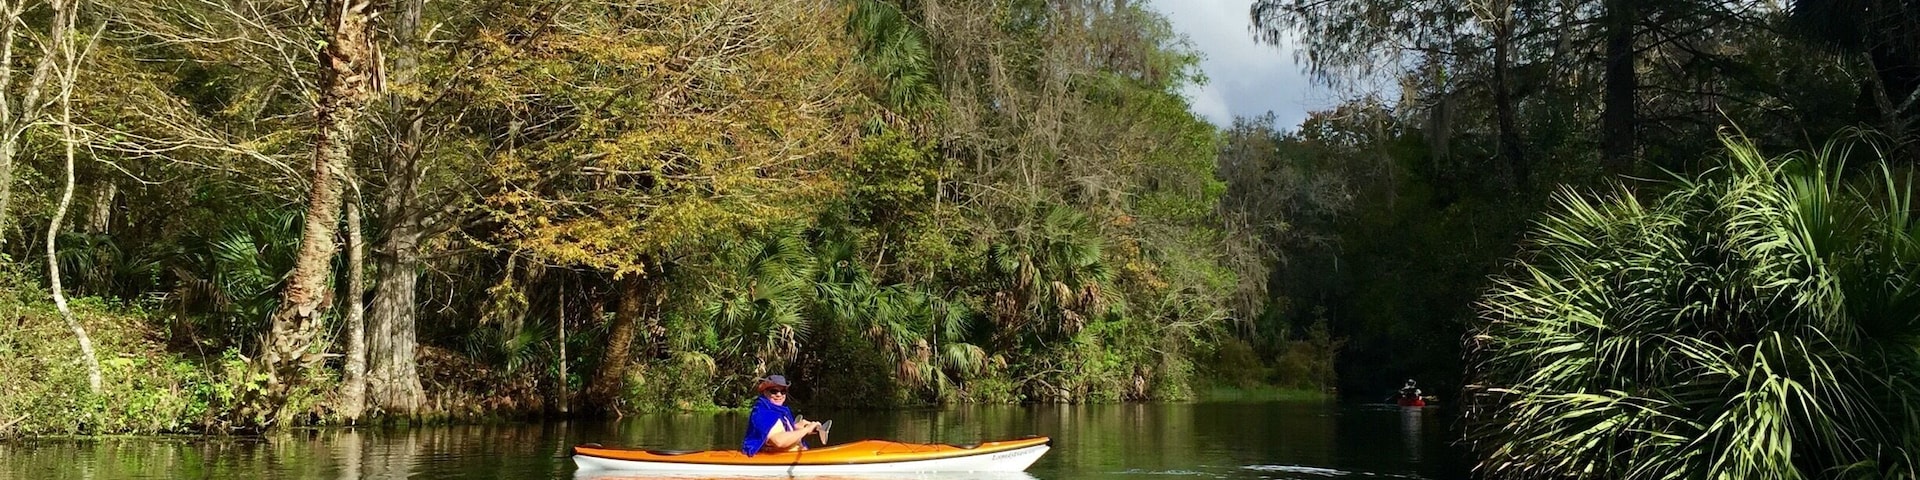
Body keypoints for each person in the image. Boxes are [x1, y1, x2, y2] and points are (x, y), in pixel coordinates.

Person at [741, 374, 822, 456]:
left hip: (790, 455)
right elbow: (779, 441)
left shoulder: (780, 411)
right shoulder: (762, 413)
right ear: (764, 392)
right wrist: (806, 430)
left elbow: (780, 430)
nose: (779, 395)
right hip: (774, 459)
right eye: (774, 391)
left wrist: (795, 427)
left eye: (783, 392)